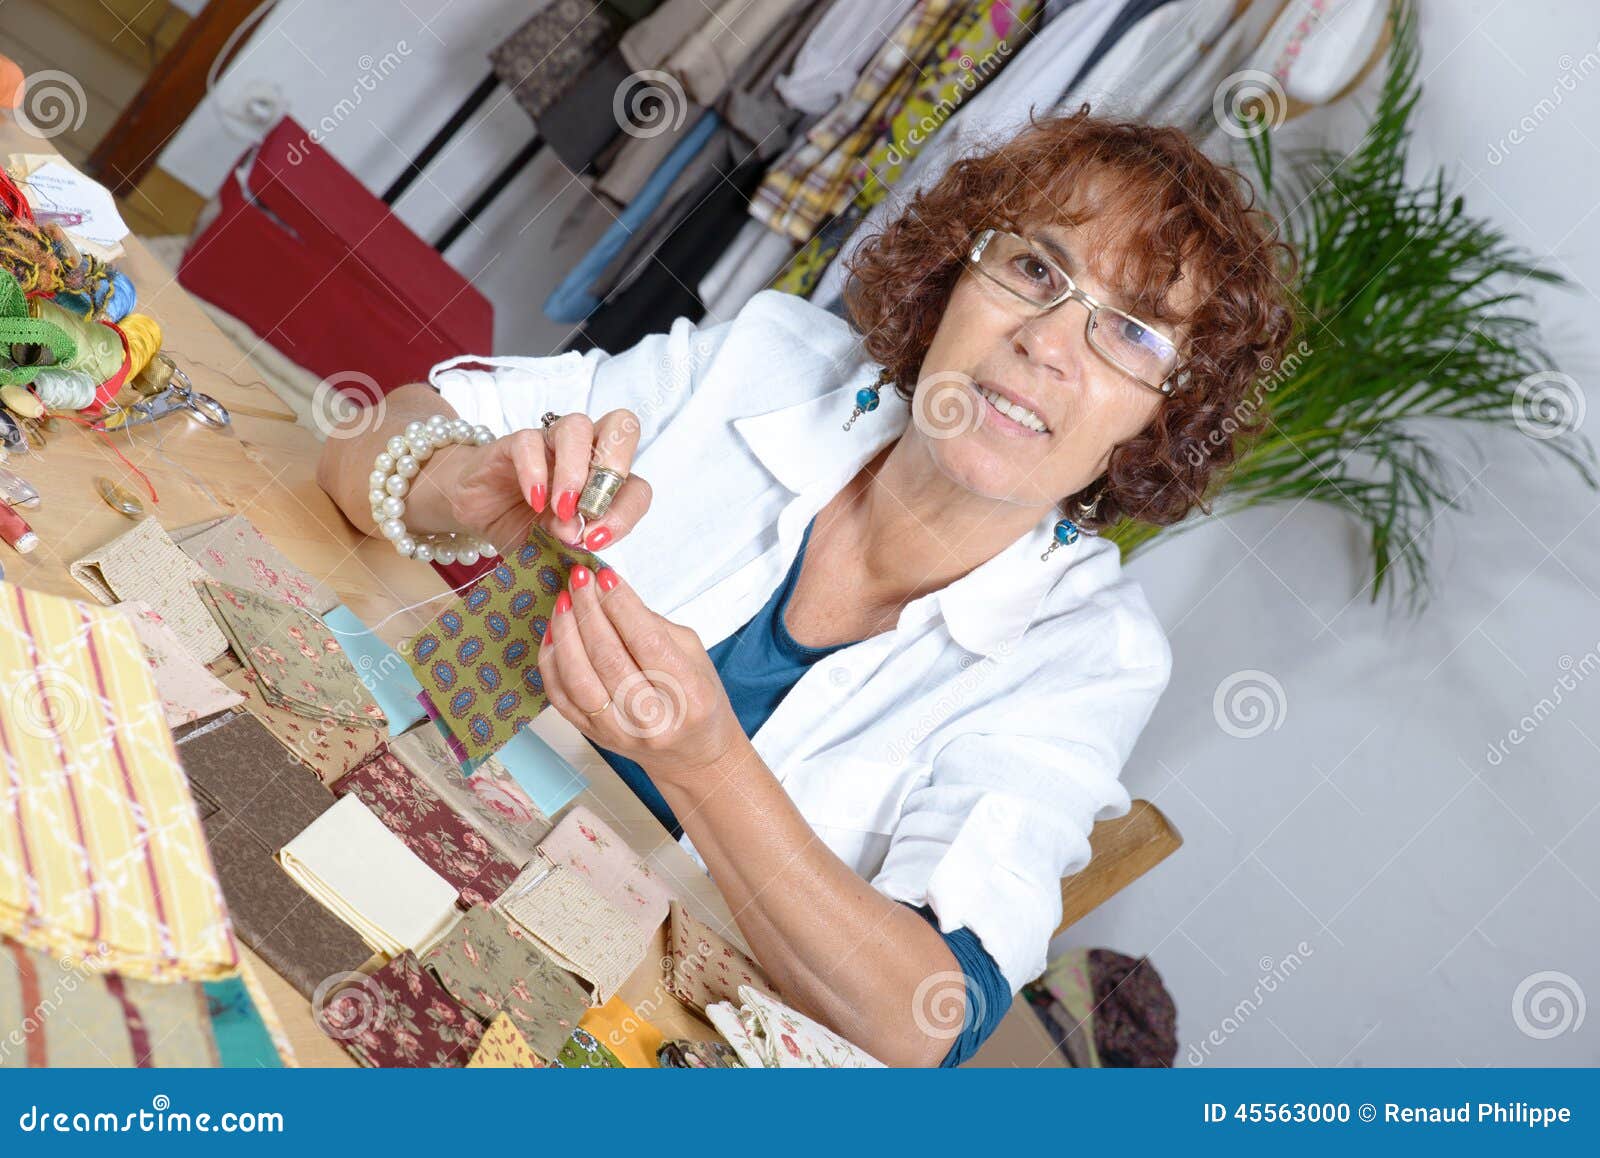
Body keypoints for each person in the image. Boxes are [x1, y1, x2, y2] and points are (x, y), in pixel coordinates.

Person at [318, 109, 1295, 1067]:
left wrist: (707, 766)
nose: (1048, 341)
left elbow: (924, 1020)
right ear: (955, 273)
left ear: (1161, 420)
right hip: (399, 834)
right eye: (1035, 270)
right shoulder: (765, 360)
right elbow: (365, 442)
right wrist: (462, 483)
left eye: (1129, 334)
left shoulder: (1090, 655)